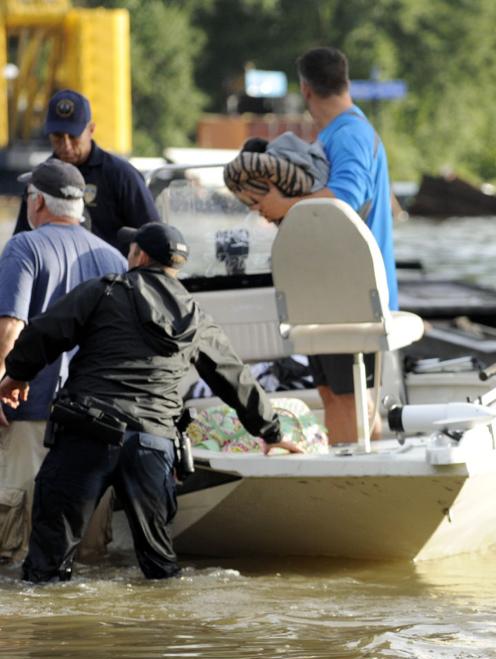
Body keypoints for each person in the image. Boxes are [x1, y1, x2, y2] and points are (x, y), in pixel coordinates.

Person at [0, 222, 302, 583]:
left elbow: (44, 332)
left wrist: (16, 375)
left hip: (87, 435)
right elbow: (234, 377)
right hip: (152, 445)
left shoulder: (103, 291)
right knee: (160, 570)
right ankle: (163, 634)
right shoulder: (195, 317)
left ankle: (51, 635)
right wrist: (270, 431)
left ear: (140, 256)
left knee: (47, 568)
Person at [250, 47, 396, 445]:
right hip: (335, 292)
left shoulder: (349, 133)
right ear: (345, 81)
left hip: (351, 295)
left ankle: (356, 486)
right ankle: (358, 470)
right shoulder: (345, 131)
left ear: (305, 89)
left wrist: (282, 205)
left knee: (348, 399)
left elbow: (344, 198)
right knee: (335, 395)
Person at [0, 159, 128, 564]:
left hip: (32, 411)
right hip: (98, 422)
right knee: (87, 554)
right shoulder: (116, 260)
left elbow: (9, 329)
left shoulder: (25, 246)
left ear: (36, 203)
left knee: (19, 552)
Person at [11, 89, 160, 250]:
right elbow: (21, 239)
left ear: (91, 130)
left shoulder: (122, 176)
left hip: (113, 272)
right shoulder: (40, 180)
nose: (66, 145)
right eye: (58, 137)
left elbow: (155, 237)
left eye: (73, 137)